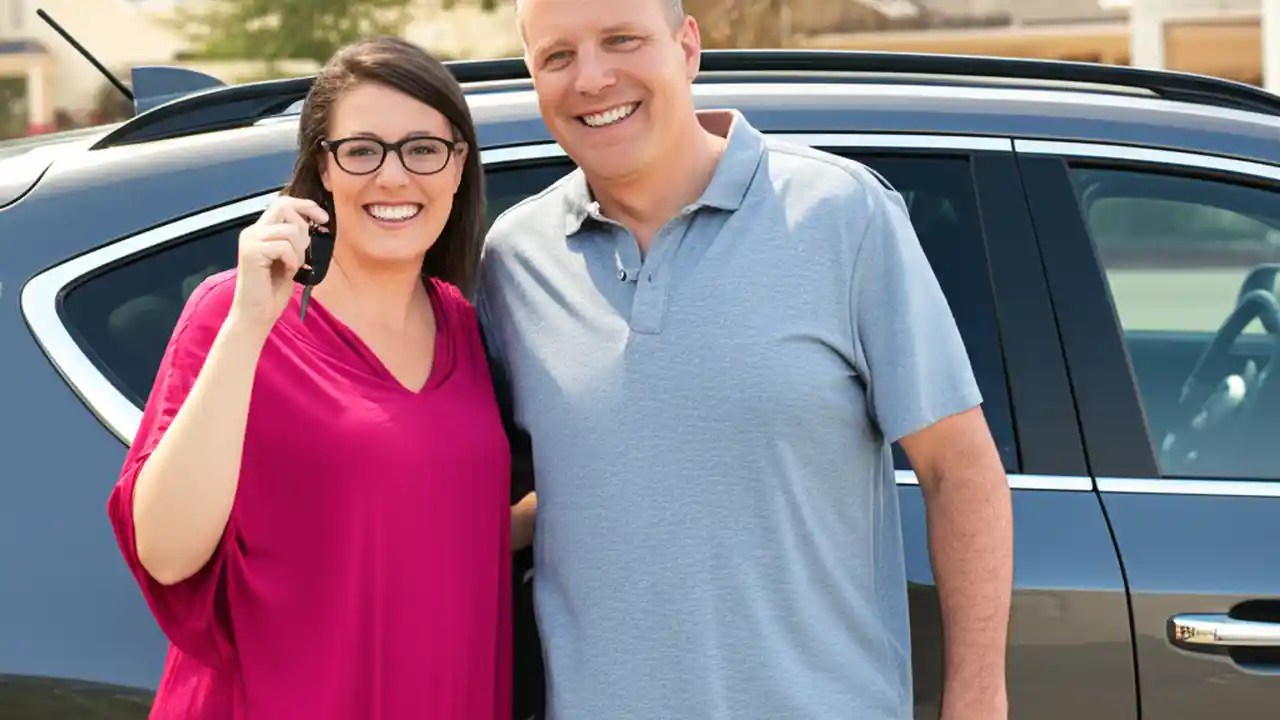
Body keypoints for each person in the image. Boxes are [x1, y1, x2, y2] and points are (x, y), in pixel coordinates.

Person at [477, 1, 1014, 718]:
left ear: (687, 47)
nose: (593, 78)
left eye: (621, 40)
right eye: (557, 56)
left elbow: (960, 467)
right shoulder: (515, 260)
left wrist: (977, 700)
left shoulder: (842, 214)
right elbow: (553, 484)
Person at [107, 36, 531, 719]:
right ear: (322, 170)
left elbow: (439, 522)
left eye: (423, 148)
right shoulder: (236, 312)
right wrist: (249, 325)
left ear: (458, 168)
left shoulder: (465, 324)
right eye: (362, 150)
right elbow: (166, 552)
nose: (394, 178)